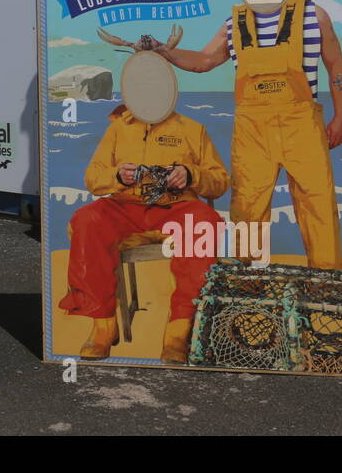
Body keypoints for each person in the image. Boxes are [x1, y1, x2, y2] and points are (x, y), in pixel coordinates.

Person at [148, 0, 342, 272]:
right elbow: (204, 61)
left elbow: (335, 65)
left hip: (302, 127)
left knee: (318, 206)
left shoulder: (314, 14)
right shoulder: (234, 23)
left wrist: (341, 117)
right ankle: (248, 286)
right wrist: (164, 51)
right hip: (252, 132)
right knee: (247, 211)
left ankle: (327, 287)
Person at [58, 50, 228, 363]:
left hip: (177, 210)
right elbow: (93, 179)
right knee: (87, 219)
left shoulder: (193, 130)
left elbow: (219, 181)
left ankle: (179, 333)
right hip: (127, 210)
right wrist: (117, 176)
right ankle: (103, 327)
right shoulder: (118, 129)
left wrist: (191, 175)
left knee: (205, 223)